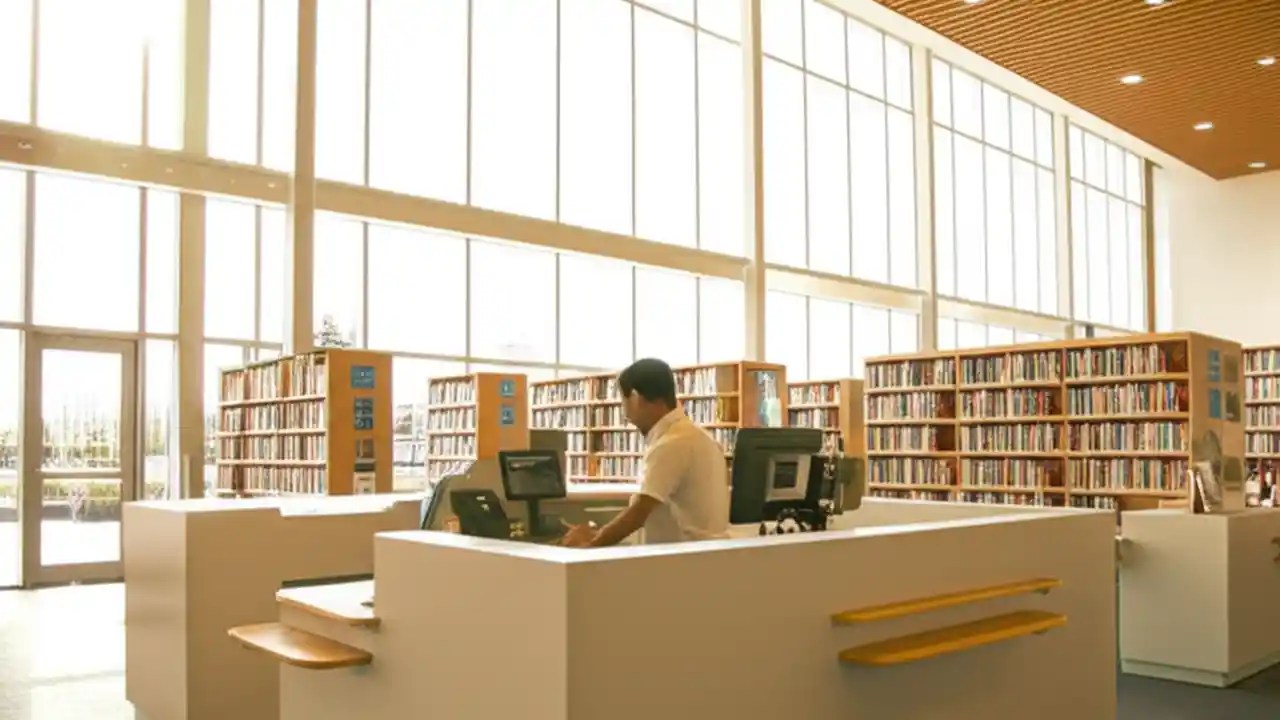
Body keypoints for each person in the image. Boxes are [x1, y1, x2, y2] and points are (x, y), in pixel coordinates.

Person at [561, 358, 730, 548]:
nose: (626, 416)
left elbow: (639, 513)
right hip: (708, 559)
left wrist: (589, 544)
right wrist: (600, 533)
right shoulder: (702, 438)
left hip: (683, 565)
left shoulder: (670, 444)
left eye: (624, 403)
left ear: (635, 398)